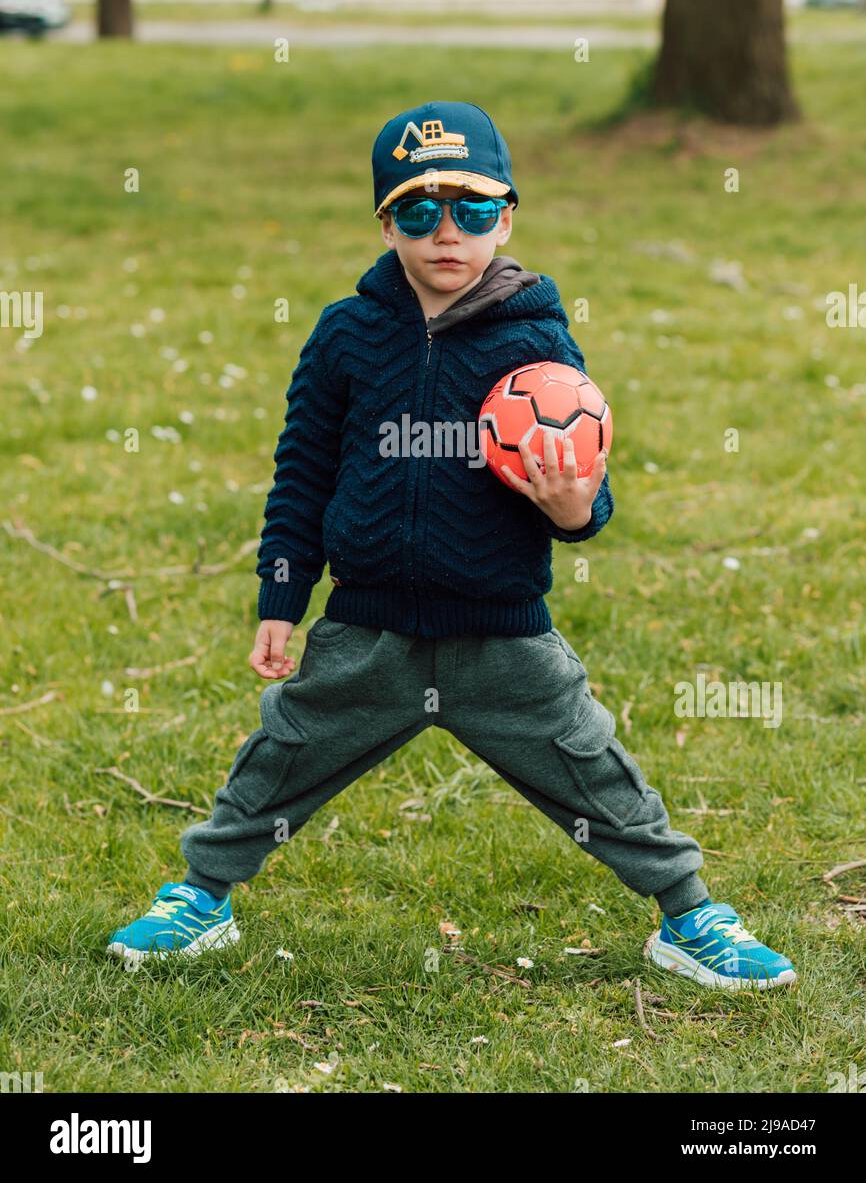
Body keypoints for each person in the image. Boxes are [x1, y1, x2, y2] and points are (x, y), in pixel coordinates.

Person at [107, 101, 796, 990]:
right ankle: (201, 896)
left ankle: (691, 915)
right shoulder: (345, 335)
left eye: (472, 212)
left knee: (595, 773)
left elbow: (588, 486)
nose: (447, 233)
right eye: (419, 210)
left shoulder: (537, 339)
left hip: (501, 635)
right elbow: (301, 476)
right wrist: (282, 596)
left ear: (506, 218)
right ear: (386, 221)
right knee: (280, 759)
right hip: (369, 630)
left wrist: (575, 506)